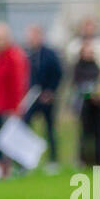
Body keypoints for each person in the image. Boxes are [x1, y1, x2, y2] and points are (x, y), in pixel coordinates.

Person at [0, 22, 29, 181]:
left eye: (0, 38)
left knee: (8, 139)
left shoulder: (15, 56)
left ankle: (10, 167)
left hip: (8, 106)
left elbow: (18, 83)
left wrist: (17, 106)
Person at [23, 24, 63, 172]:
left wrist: (50, 91)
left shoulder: (50, 54)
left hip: (47, 97)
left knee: (50, 128)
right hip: (31, 96)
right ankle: (26, 159)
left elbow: (58, 73)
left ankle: (53, 160)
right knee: (25, 125)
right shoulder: (27, 54)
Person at [72, 37, 100, 167]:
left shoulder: (97, 67)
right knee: (85, 134)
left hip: (98, 105)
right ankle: (83, 160)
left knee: (99, 133)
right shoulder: (78, 68)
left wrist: (98, 95)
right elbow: (78, 85)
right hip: (85, 105)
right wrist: (89, 95)